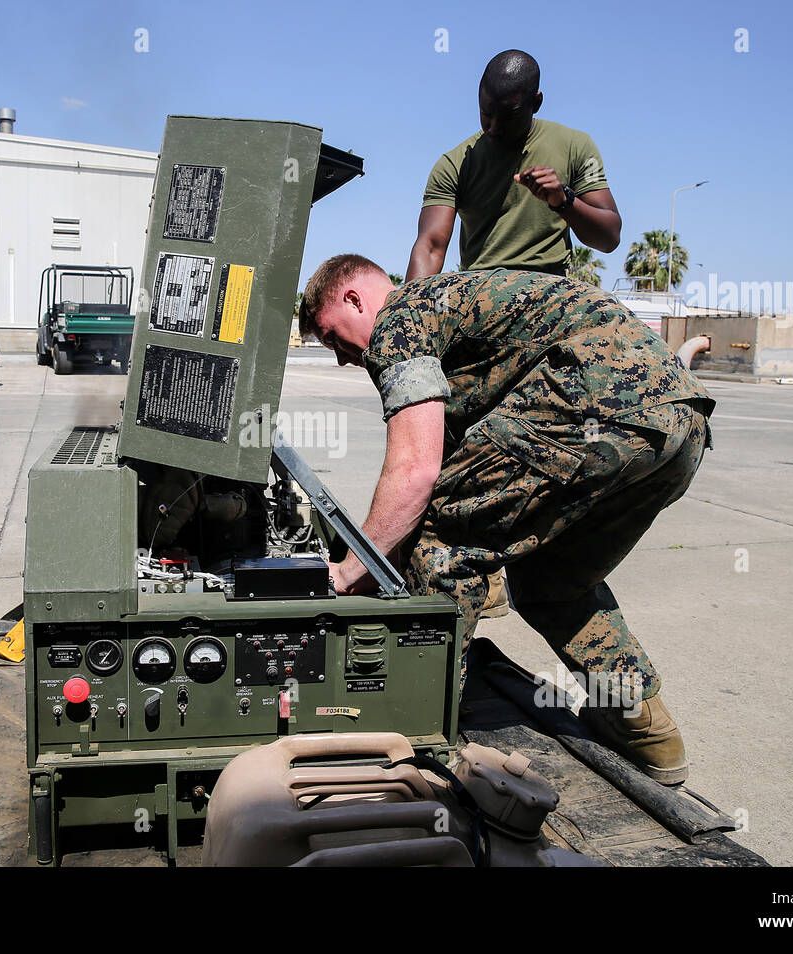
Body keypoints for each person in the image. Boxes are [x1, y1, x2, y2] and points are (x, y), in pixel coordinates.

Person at [297, 254, 715, 785]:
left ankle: (424, 728)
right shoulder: (458, 312)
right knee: (553, 579)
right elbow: (448, 469)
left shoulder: (402, 315)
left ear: (354, 298)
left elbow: (415, 471)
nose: (339, 358)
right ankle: (643, 727)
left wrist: (347, 573)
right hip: (679, 426)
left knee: (441, 545)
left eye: (333, 337)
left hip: (592, 405)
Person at [406, 49, 621, 282]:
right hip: (480, 293)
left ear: (536, 102)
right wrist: (406, 311)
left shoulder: (575, 146)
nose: (494, 127)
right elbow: (430, 246)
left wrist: (563, 201)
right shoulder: (455, 164)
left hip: (549, 292)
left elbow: (609, 238)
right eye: (486, 113)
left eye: (508, 116)